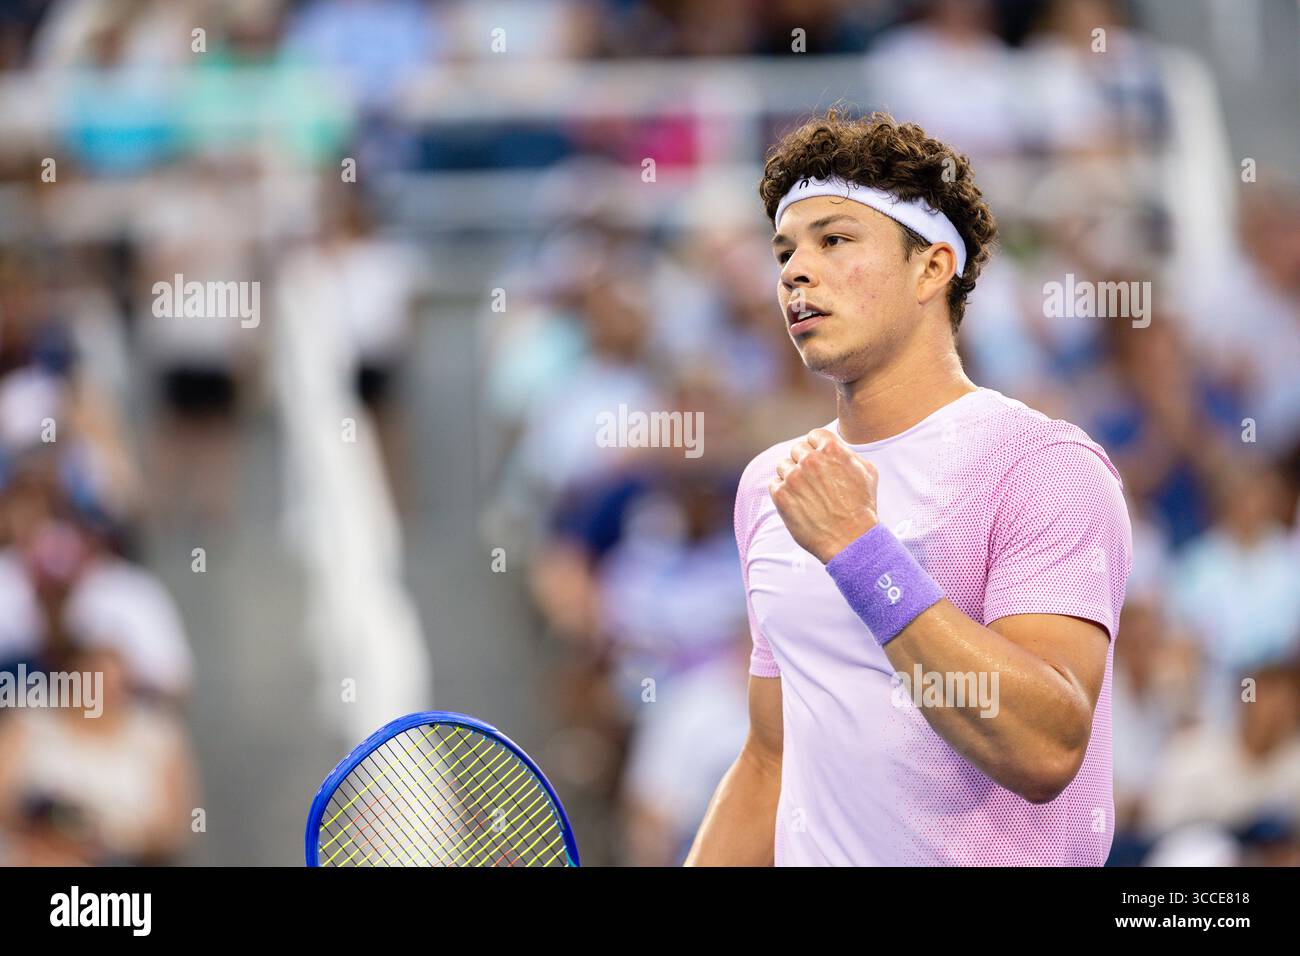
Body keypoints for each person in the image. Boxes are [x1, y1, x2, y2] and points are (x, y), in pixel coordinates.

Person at [686, 111, 1132, 866]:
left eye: (834, 240)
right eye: (785, 251)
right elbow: (769, 759)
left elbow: (1045, 747)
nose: (795, 271)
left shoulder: (1044, 464)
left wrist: (859, 550)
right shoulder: (771, 484)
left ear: (931, 269)